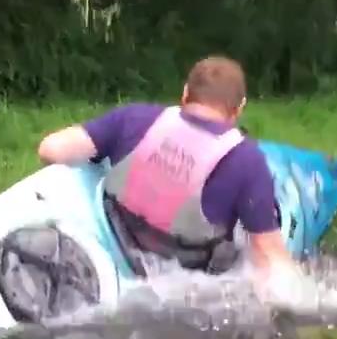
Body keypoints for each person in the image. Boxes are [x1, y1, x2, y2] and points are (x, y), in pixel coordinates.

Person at [36, 55, 306, 306]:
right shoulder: (247, 160)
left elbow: (51, 149)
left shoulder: (134, 118)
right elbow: (270, 258)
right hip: (184, 284)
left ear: (186, 93)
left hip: (117, 242)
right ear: (238, 110)